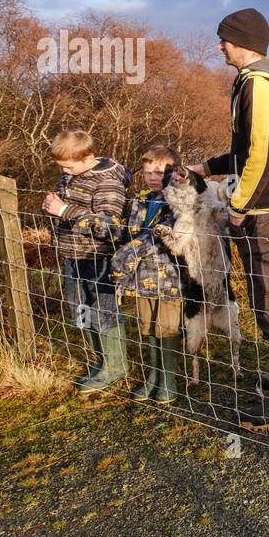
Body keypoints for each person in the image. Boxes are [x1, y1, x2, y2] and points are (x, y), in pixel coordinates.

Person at [187, 8, 269, 430]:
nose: (219, 45)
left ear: (241, 40)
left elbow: (261, 154)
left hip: (263, 208)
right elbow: (248, 150)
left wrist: (239, 205)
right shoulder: (268, 83)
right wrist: (208, 167)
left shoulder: (258, 86)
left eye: (223, 38)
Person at [42, 128, 131, 392]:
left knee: (103, 312)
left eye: (68, 168)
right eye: (61, 168)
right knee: (81, 311)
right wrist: (53, 206)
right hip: (72, 254)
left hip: (98, 257)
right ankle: (101, 360)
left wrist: (65, 210)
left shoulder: (108, 182)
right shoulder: (71, 173)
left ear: (87, 157)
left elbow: (111, 226)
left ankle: (116, 366)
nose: (64, 172)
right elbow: (69, 209)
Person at [111, 145, 184, 403]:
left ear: (174, 171)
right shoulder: (141, 200)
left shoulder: (178, 200)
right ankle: (153, 377)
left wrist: (128, 251)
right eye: (147, 172)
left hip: (169, 277)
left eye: (159, 171)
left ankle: (169, 380)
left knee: (167, 326)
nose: (153, 177)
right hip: (141, 276)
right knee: (149, 326)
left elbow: (163, 234)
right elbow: (130, 231)